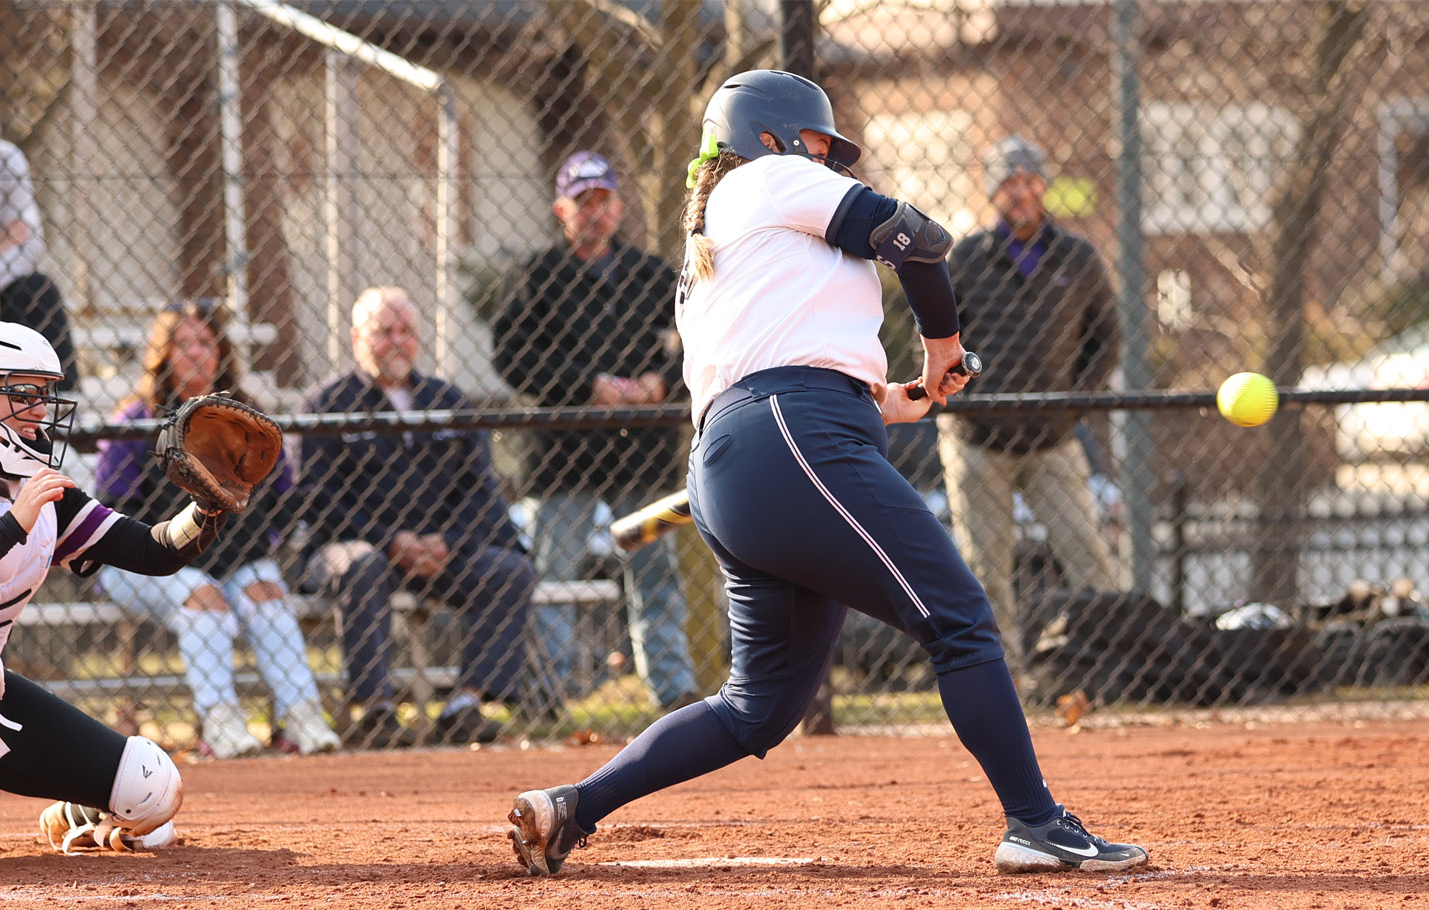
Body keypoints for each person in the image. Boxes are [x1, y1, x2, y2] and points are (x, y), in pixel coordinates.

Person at [505, 70, 1147, 877]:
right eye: (816, 143)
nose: (828, 161)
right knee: (958, 616)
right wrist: (943, 347)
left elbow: (780, 349)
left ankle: (573, 806)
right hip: (790, 436)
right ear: (766, 138)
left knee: (757, 709)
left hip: (751, 456)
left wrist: (889, 396)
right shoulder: (769, 180)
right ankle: (1035, 823)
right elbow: (916, 237)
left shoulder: (715, 240)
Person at [0, 320, 219, 853]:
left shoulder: (39, 492)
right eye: (21, 392)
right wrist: (12, 526)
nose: (40, 409)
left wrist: (208, 508)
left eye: (45, 393)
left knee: (152, 790)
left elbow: (154, 550)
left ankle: (75, 809)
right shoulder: (26, 508)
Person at [489, 151, 698, 712]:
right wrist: (587, 384)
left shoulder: (652, 274)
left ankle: (672, 687)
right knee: (556, 573)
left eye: (604, 202)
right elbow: (509, 357)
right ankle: (547, 692)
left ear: (619, 207)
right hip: (562, 457)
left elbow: (699, 342)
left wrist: (662, 384)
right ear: (562, 210)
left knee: (654, 569)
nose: (595, 214)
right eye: (583, 204)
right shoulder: (535, 276)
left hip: (641, 455)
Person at [94, 299, 340, 759]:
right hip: (139, 560)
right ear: (163, 354)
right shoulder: (137, 419)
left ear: (222, 352)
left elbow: (284, 500)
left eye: (205, 342)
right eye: (182, 343)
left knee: (267, 592)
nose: (194, 353)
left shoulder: (246, 416)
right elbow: (113, 513)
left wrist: (258, 545)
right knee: (203, 595)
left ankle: (301, 716)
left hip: (228, 559)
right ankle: (220, 722)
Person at [299, 286, 537, 749]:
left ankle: (465, 706)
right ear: (355, 338)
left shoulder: (447, 399)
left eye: (406, 331)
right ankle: (376, 712)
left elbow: (481, 492)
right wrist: (390, 541)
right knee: (363, 564)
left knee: (511, 571)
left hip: (437, 553)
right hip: (353, 549)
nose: (397, 342)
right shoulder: (327, 404)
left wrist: (447, 541)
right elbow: (316, 500)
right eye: (383, 332)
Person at [938, 136, 1122, 674]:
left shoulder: (1078, 256)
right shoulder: (966, 258)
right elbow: (936, 339)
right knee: (986, 572)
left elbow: (1106, 340)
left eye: (1029, 182)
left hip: (1052, 441)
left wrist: (1073, 406)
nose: (1020, 193)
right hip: (979, 444)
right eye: (1008, 183)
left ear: (1043, 187)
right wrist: (962, 404)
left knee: (1089, 560)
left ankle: (1111, 672)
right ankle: (1005, 683)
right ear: (993, 192)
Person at [0, 106, 77, 389]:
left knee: (38, 290)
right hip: (0, 258)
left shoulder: (7, 158)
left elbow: (26, 234)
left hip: (3, 276)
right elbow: (11, 231)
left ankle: (61, 393)